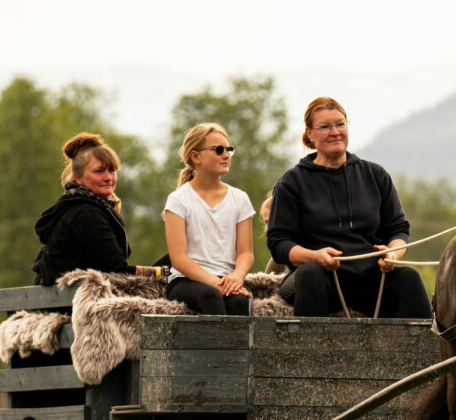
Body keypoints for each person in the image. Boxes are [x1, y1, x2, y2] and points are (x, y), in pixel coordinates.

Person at [267, 97, 431, 318]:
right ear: (310, 133)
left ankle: (426, 341)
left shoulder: (375, 175)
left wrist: (393, 253)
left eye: (340, 124)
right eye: (325, 127)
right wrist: (315, 256)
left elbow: (398, 229)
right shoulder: (291, 182)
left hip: (369, 279)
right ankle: (310, 343)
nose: (335, 132)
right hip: (315, 278)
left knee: (409, 277)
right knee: (310, 274)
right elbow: (279, 243)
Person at [32, 132, 160, 285]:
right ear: (78, 177)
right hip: (72, 298)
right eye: (99, 171)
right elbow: (116, 271)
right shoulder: (86, 214)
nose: (108, 177)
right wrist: (163, 273)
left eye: (112, 170)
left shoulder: (86, 207)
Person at [162, 123, 255, 315]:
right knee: (210, 296)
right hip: (185, 282)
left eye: (229, 150)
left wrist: (237, 277)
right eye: (218, 150)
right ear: (195, 156)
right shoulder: (178, 200)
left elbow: (245, 253)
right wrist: (216, 283)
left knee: (239, 302)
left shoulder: (240, 199)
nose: (226, 155)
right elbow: (179, 259)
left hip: (226, 280)